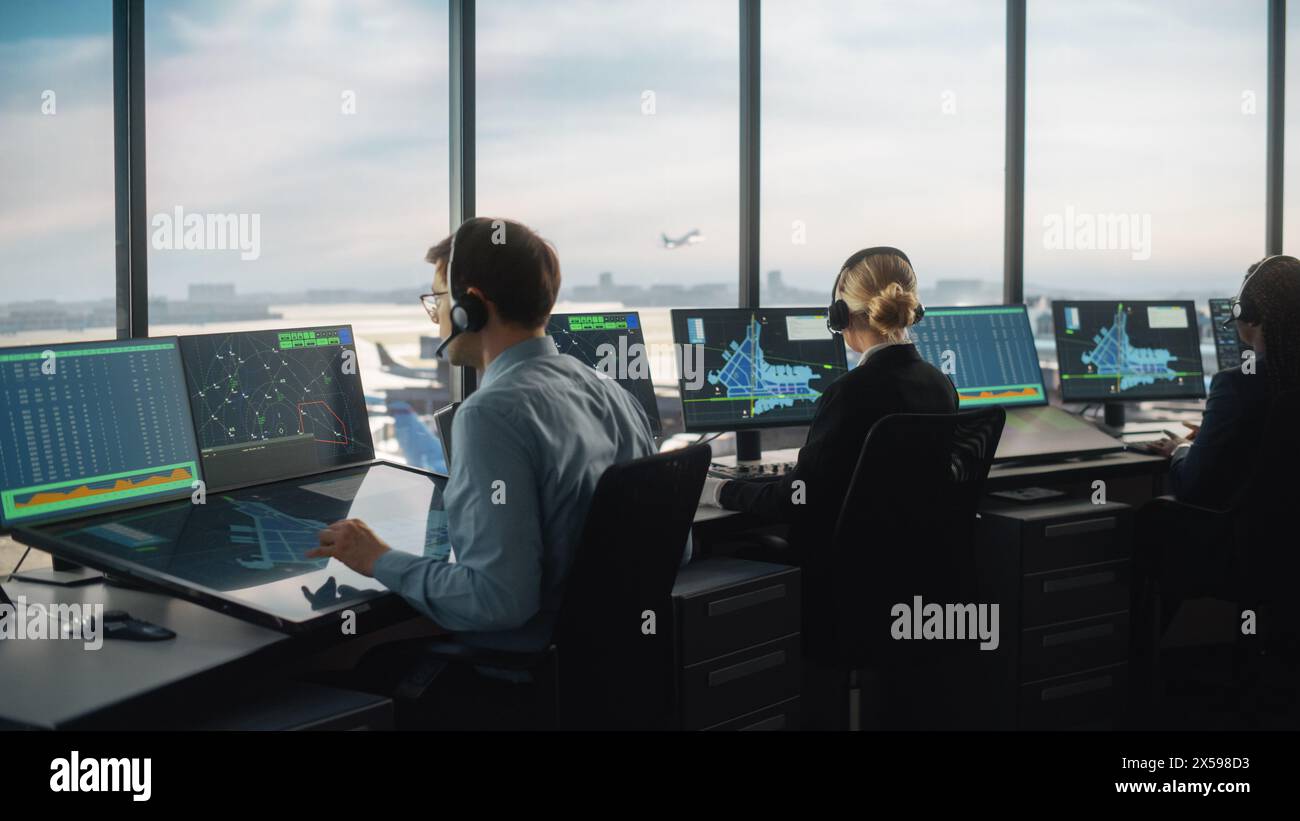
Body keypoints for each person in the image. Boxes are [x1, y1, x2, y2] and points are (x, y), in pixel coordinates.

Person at [307, 217, 666, 653]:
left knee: (339, 657)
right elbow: (672, 548)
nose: (436, 315)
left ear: (469, 308)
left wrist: (377, 559)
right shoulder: (612, 392)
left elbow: (497, 602)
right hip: (608, 661)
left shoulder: (489, 415)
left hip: (525, 664)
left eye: (439, 299)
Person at [698, 246, 958, 559]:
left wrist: (715, 490)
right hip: (914, 568)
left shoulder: (849, 393)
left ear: (840, 315)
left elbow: (799, 497)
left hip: (841, 573)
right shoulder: (942, 386)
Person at [1145, 254, 1300, 506]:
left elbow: (1192, 486)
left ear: (1247, 313)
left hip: (1242, 539)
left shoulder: (1236, 385)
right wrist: (1214, 435)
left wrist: (1180, 449)